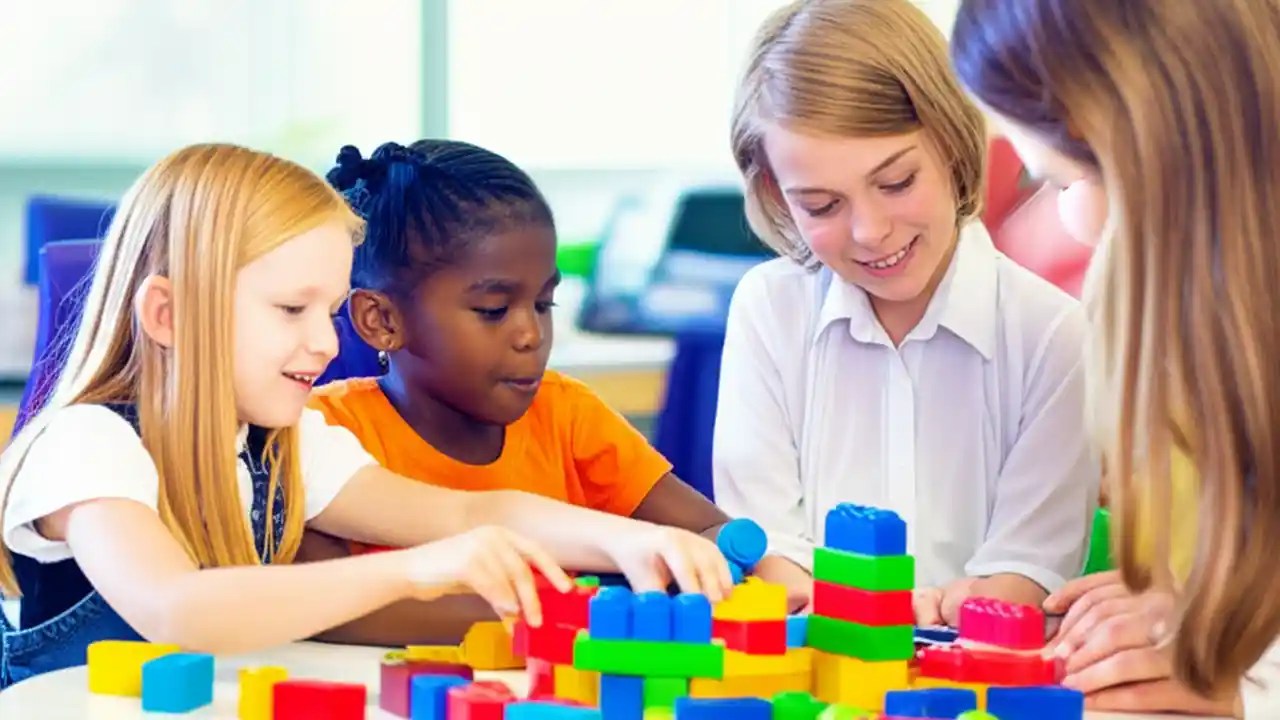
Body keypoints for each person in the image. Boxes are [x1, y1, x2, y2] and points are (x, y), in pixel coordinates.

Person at [0, 143, 732, 687]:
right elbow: (177, 609)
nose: (325, 341)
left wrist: (635, 542)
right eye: (292, 309)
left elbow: (468, 517)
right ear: (168, 313)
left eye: (329, 309)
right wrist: (411, 573)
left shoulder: (283, 445)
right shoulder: (85, 448)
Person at [713, 0, 1098, 620]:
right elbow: (764, 548)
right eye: (821, 205)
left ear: (949, 142)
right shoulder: (768, 310)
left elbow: (1026, 568)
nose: (871, 230)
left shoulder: (1053, 334)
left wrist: (923, 617)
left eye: (896, 183)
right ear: (773, 194)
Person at [951, 0, 1280, 715]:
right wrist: (1183, 600)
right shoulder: (1156, 297)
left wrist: (1239, 677)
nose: (1067, 221)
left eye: (1066, 180)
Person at [301, 139, 735, 645]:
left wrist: (727, 560)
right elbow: (325, 606)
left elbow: (711, 534)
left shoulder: (569, 416)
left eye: (544, 304)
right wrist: (581, 610)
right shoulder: (326, 434)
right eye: (493, 310)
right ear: (382, 320)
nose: (531, 334)